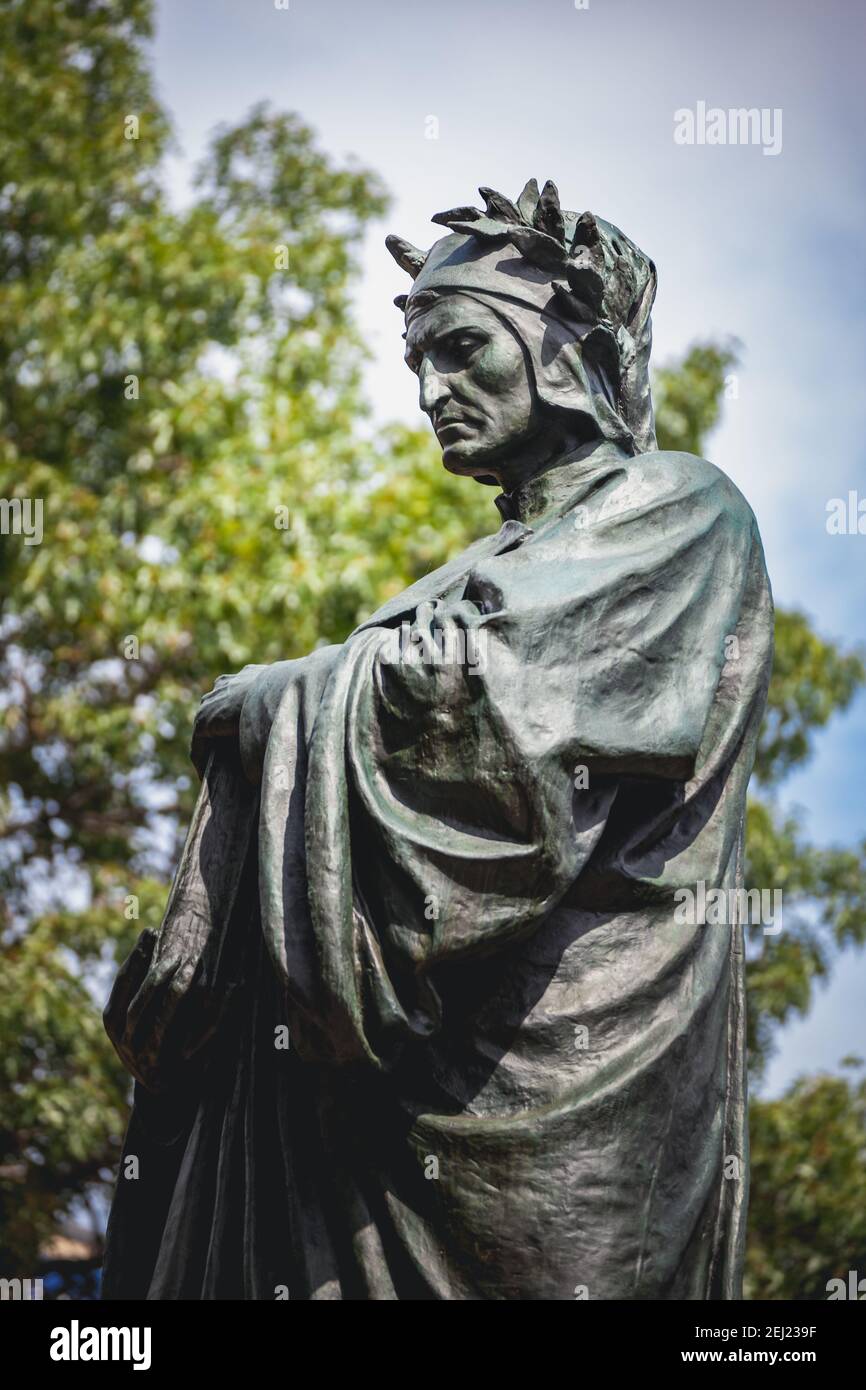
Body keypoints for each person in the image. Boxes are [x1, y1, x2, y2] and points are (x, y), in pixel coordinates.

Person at [103, 180, 773, 1300]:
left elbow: (494, 739)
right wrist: (295, 710)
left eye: (462, 349)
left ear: (563, 348)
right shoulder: (464, 575)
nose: (429, 390)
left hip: (572, 1100)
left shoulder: (678, 510)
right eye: (417, 361)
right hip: (369, 1128)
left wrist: (272, 698)